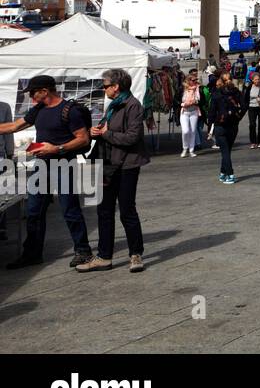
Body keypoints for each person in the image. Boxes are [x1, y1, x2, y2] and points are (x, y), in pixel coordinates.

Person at [0, 76, 94, 269]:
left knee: (70, 209)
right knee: (34, 211)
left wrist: (57, 149)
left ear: (45, 90)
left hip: (63, 164)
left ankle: (83, 251)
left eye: (33, 93)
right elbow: (15, 126)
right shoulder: (39, 109)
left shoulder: (70, 110)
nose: (31, 97)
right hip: (41, 165)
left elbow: (83, 139)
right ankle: (32, 253)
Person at [78, 68, 149, 273]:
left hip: (127, 164)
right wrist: (95, 132)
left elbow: (132, 137)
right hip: (108, 162)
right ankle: (104, 256)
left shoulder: (133, 105)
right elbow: (105, 129)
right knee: (105, 210)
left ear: (116, 87)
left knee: (127, 210)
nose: (104, 89)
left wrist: (106, 134)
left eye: (106, 85)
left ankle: (136, 254)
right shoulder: (114, 105)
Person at [210, 72, 244, 184]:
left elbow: (211, 112)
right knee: (227, 151)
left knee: (225, 151)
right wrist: (239, 117)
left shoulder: (216, 93)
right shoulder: (236, 92)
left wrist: (210, 125)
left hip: (220, 125)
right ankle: (223, 173)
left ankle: (230, 174)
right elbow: (244, 106)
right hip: (233, 124)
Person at [178, 71, 202, 157]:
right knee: (185, 131)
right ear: (188, 81)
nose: (195, 81)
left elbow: (200, 99)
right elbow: (177, 99)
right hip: (184, 111)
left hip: (194, 111)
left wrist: (195, 101)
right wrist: (183, 104)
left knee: (193, 131)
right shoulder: (182, 88)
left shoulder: (198, 88)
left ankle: (191, 150)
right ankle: (185, 148)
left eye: (196, 80)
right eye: (193, 80)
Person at [0, 98, 12, 241]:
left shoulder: (4, 107)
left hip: (1, 156)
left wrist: (10, 153)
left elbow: (9, 131)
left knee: (2, 195)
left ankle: (1, 228)